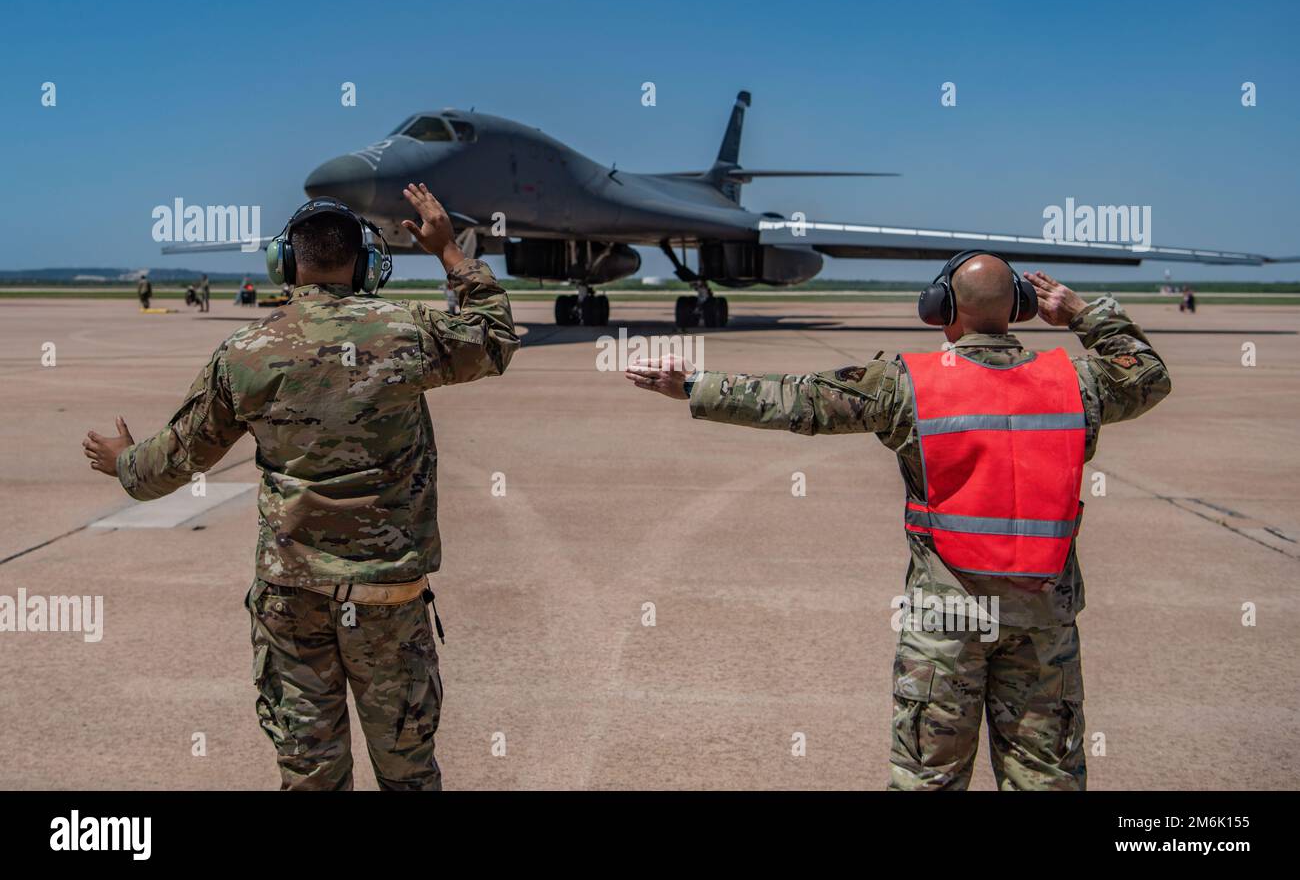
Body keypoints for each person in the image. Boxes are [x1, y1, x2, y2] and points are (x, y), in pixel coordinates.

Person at [626, 252, 1171, 790]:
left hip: (946, 626)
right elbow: (1148, 374)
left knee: (927, 779)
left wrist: (695, 385)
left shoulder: (908, 384)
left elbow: (799, 400)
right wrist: (1082, 312)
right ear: (1021, 308)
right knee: (1045, 779)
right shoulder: (1075, 383)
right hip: (1044, 623)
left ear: (942, 307)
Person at [82, 184, 519, 790]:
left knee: (310, 773)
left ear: (284, 264)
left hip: (291, 597)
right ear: (365, 265)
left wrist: (125, 460)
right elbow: (494, 338)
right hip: (386, 595)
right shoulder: (406, 331)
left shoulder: (246, 353)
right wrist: (449, 253)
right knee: (409, 773)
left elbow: (170, 465)